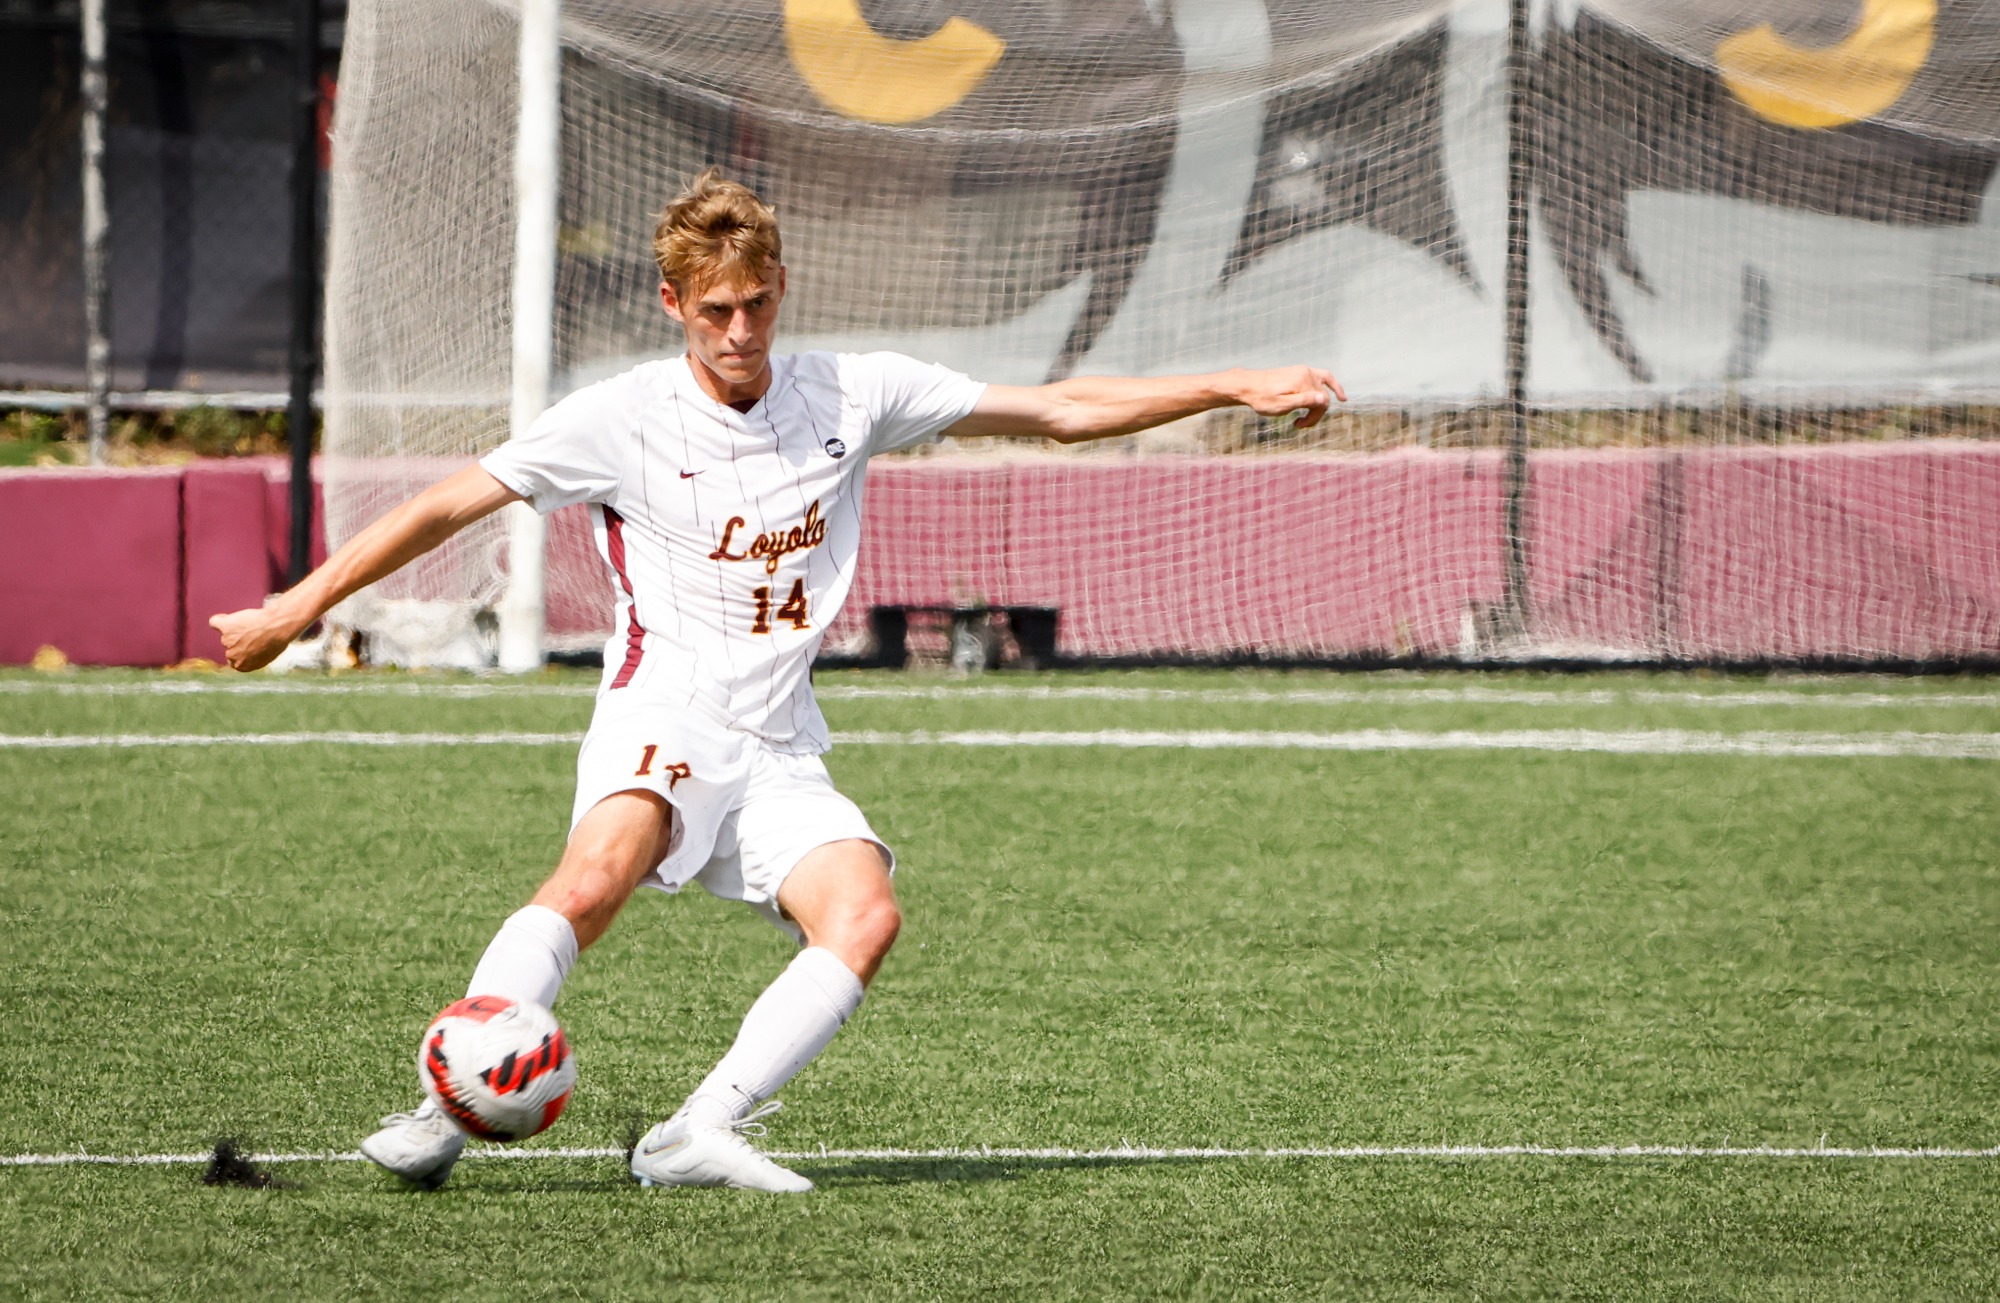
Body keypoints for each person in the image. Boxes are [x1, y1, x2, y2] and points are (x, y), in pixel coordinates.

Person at [210, 169, 1345, 1193]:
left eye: (757, 302)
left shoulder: (849, 392)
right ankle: (445, 1105)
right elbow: (447, 503)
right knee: (597, 876)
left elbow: (1054, 410)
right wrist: (297, 606)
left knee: (863, 912)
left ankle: (695, 1131)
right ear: (672, 305)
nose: (740, 330)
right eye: (715, 310)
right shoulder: (620, 419)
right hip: (662, 706)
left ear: (779, 287)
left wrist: (1234, 383)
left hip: (778, 736)